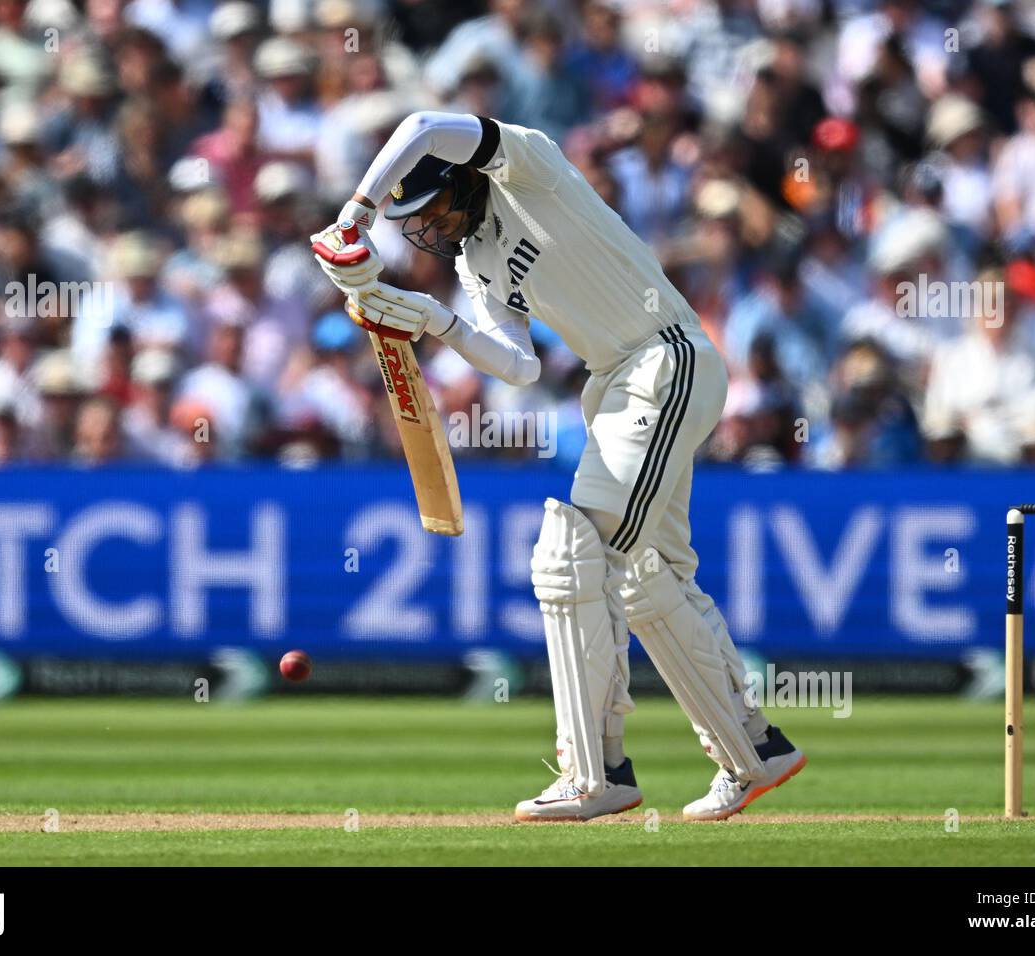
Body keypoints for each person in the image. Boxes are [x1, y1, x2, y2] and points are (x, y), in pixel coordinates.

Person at [312, 111, 805, 821]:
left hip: (663, 358)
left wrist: (353, 214)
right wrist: (432, 319)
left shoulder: (528, 168)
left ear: (463, 178)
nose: (429, 229)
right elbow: (518, 364)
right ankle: (755, 752)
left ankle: (596, 771)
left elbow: (421, 123)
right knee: (644, 574)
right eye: (413, 222)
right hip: (613, 384)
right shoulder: (471, 261)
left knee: (573, 552)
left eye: (435, 207)